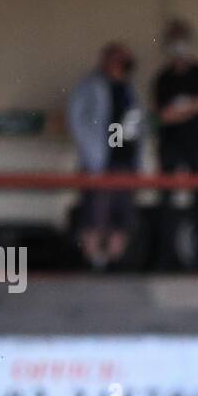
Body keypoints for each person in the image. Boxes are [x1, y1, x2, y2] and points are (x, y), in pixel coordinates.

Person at [67, 42, 142, 270]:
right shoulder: (91, 86)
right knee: (94, 213)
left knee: (122, 215)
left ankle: (113, 262)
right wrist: (89, 150)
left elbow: (138, 125)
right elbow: (76, 119)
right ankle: (93, 261)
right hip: (98, 163)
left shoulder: (130, 90)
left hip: (125, 162)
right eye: (119, 60)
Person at [152, 19, 198, 270]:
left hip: (196, 145)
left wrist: (185, 107)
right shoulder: (164, 77)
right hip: (169, 146)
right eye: (174, 41)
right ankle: (163, 260)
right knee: (166, 202)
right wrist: (190, 108)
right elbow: (163, 114)